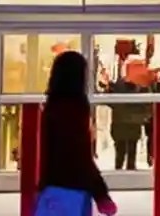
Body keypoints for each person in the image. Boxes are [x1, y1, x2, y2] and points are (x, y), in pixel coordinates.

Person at [39, 50, 116, 216]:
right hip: (74, 188)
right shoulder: (74, 109)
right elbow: (79, 155)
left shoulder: (51, 107)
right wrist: (101, 193)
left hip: (52, 185)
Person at [108, 79, 149, 170]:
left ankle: (119, 168)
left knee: (120, 152)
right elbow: (145, 107)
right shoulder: (140, 89)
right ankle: (129, 167)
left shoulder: (118, 88)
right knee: (131, 150)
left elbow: (109, 102)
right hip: (132, 125)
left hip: (120, 124)